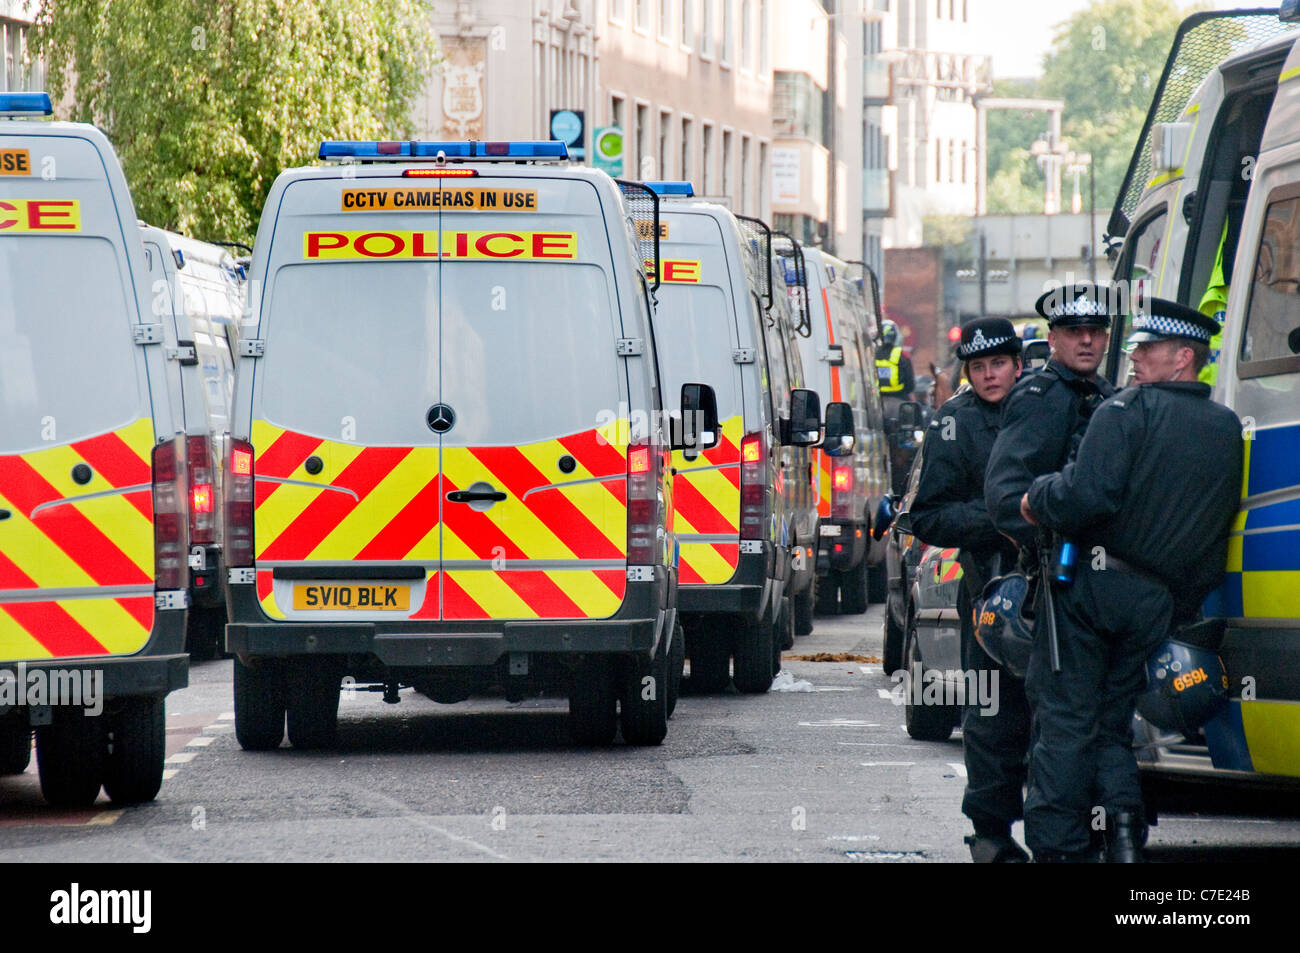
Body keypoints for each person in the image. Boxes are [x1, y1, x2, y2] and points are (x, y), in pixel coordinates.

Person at [1018, 299, 1243, 862]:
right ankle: (1122, 833)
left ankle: (1058, 849)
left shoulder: (1126, 409)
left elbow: (1083, 496)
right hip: (1158, 601)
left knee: (1067, 721)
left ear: (1183, 357)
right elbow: (1215, 526)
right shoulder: (1225, 427)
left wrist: (1034, 497)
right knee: (1113, 721)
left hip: (1093, 590)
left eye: (1147, 349)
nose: (1134, 357)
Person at [909, 318, 1026, 862]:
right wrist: (997, 520)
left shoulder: (1046, 407)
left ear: (1018, 364)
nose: (988, 376)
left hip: (1057, 588)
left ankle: (1066, 833)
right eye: (977, 368)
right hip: (987, 588)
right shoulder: (952, 423)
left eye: (997, 364)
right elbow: (928, 516)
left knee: (1060, 718)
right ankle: (991, 835)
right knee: (990, 718)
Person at [985, 284, 1117, 553]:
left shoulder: (1109, 396)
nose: (1086, 341)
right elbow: (1006, 498)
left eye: (1094, 331)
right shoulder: (1039, 399)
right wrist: (1054, 545)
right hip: (1063, 570)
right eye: (1074, 332)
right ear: (1052, 340)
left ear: (1106, 338)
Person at [876, 319, 915, 400]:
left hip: (877, 399)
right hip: (899, 398)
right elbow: (910, 384)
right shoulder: (902, 355)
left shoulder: (872, 354)